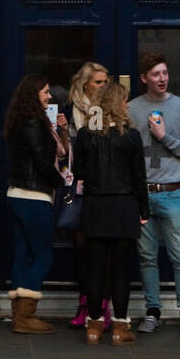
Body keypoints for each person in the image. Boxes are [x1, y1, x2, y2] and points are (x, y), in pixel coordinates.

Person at [128, 52, 180, 335]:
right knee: (146, 256)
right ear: (144, 78)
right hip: (142, 194)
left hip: (172, 192)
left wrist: (163, 136)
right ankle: (152, 311)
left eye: (165, 73)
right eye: (156, 74)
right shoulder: (132, 108)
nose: (162, 79)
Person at [74, 80, 148, 345]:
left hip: (95, 206)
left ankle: (93, 327)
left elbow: (79, 171)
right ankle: (120, 327)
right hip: (124, 206)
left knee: (95, 269)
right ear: (118, 104)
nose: (127, 104)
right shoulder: (131, 135)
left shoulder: (85, 134)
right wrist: (144, 210)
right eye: (125, 99)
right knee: (120, 271)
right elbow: (140, 177)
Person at [3, 73, 67, 334]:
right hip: (35, 196)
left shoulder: (18, 121)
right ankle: (26, 316)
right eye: (45, 92)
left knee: (23, 253)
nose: (49, 96)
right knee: (42, 256)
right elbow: (43, 162)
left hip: (17, 194)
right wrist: (60, 181)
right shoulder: (33, 124)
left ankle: (19, 315)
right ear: (34, 94)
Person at [66, 61, 109, 330]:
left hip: (106, 188)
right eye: (98, 82)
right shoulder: (73, 111)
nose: (103, 87)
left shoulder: (111, 109)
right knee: (83, 250)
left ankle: (102, 306)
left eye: (106, 82)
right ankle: (85, 303)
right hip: (81, 187)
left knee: (102, 250)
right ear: (85, 85)